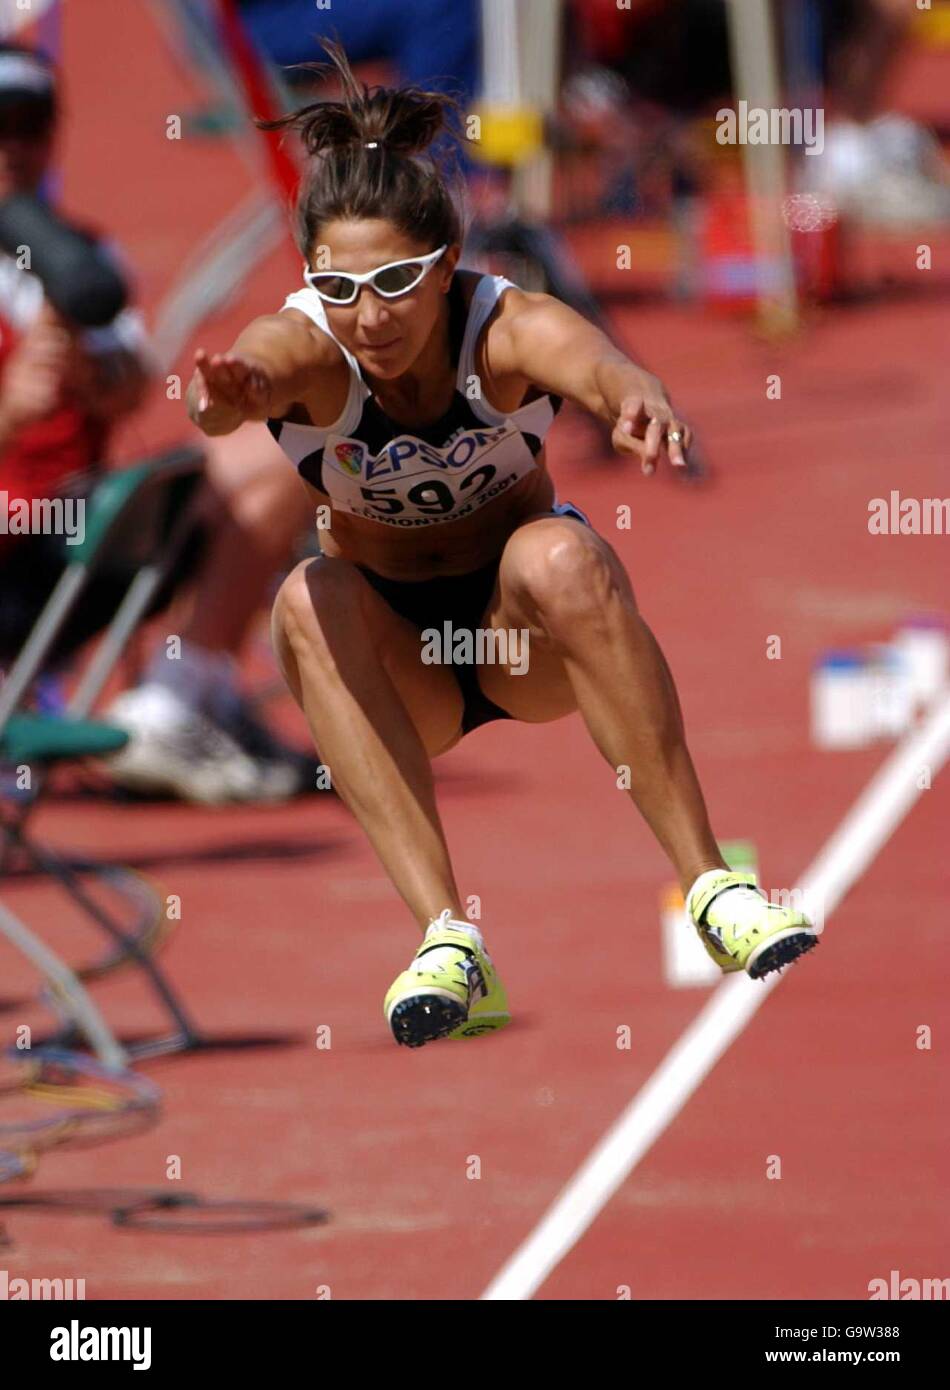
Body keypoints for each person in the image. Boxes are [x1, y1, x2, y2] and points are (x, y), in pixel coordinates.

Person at [186, 45, 817, 1048]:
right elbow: (256, 370)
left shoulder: (502, 327)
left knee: (555, 555)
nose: (371, 314)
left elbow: (596, 362)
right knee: (307, 594)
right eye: (340, 287)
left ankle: (711, 888)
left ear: (444, 269)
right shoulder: (312, 344)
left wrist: (632, 395)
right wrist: (230, 395)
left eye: (396, 281)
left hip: (523, 640)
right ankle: (445, 936)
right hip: (406, 670)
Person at [0, 41, 316, 804]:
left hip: (75, 549)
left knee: (284, 446)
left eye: (30, 124)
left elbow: (135, 381)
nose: (13, 148)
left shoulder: (77, 256)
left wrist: (101, 383)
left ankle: (174, 705)